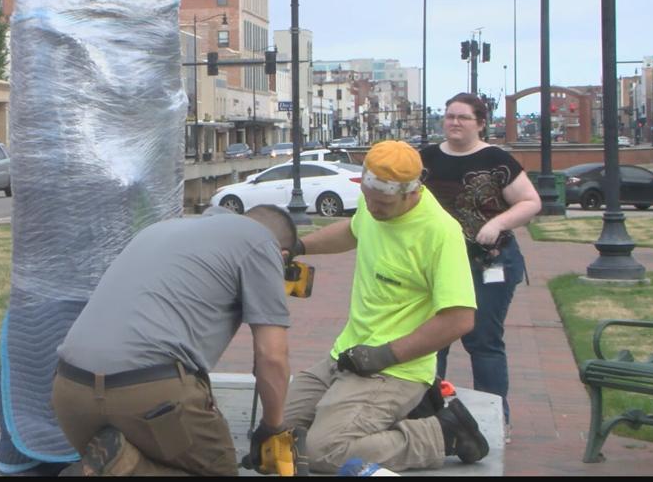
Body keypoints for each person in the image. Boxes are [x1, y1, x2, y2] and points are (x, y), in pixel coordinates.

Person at [283, 140, 489, 473]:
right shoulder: (374, 200)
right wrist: (298, 246)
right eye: (368, 199)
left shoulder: (439, 233)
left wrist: (385, 355)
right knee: (277, 429)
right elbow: (352, 232)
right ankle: (373, 417)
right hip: (347, 354)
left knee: (324, 451)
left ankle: (443, 432)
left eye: (382, 204)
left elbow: (459, 319)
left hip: (395, 370)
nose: (373, 209)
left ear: (412, 192)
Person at [51, 205, 297, 476]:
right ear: (282, 255)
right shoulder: (261, 241)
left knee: (153, 450)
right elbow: (272, 357)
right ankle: (124, 469)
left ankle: (111, 464)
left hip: (70, 395)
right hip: (152, 401)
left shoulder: (159, 229)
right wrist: (272, 427)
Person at [420, 92, 542, 440]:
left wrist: (498, 224)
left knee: (483, 339)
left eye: (463, 117)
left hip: (490, 262)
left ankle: (494, 417)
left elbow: (530, 202)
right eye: (449, 116)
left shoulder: (497, 160)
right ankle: (429, 415)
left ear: (480, 123)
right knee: (432, 340)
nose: (454, 123)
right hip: (438, 264)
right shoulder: (425, 159)